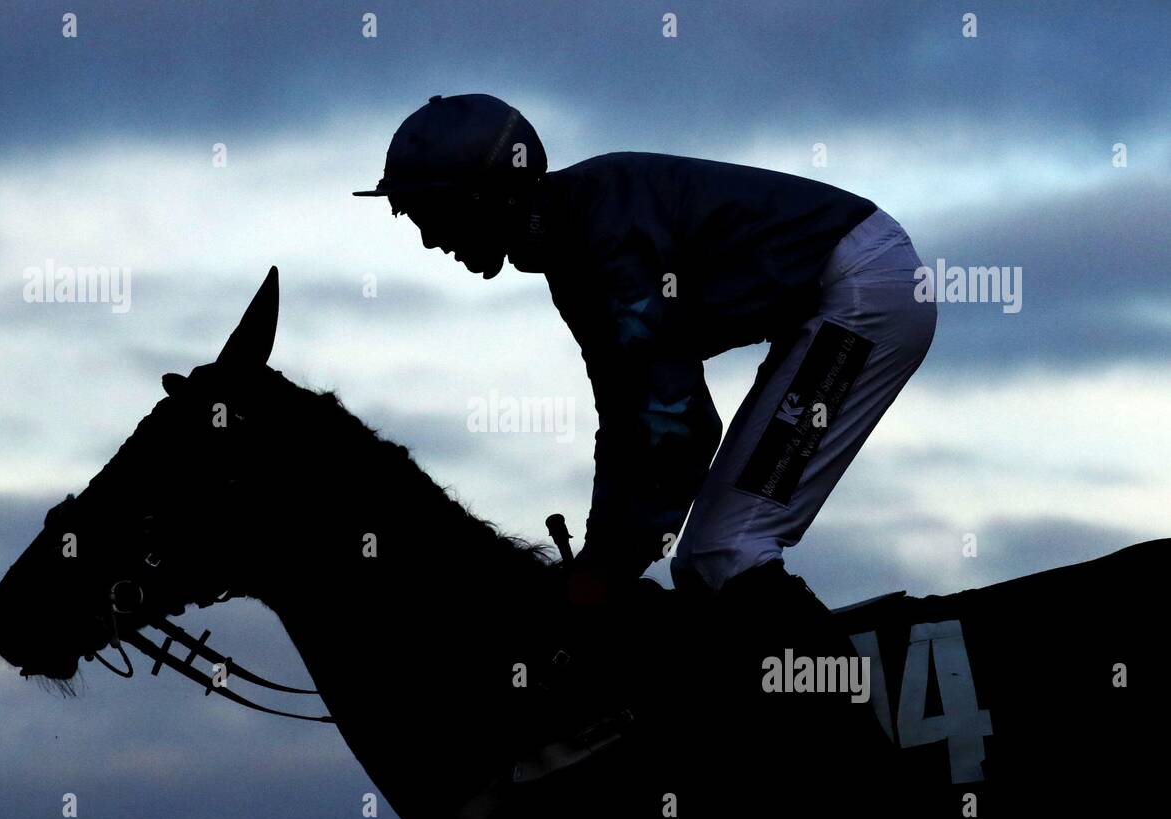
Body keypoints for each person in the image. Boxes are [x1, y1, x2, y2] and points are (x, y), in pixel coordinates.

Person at [354, 94, 937, 618]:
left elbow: (674, 421)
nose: (430, 239)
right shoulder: (574, 240)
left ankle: (844, 722)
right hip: (847, 290)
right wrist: (600, 555)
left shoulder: (604, 240)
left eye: (430, 213)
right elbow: (629, 416)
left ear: (483, 197)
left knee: (725, 553)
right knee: (705, 561)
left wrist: (605, 567)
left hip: (866, 295)